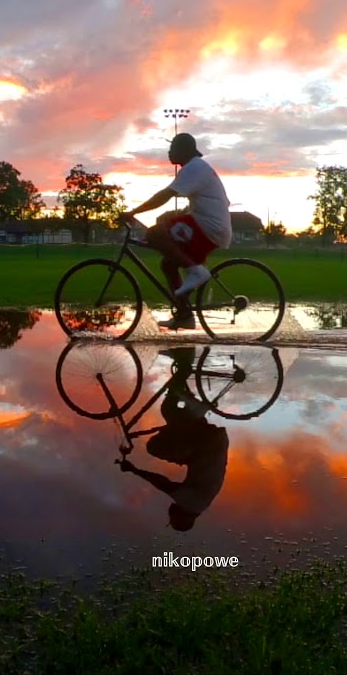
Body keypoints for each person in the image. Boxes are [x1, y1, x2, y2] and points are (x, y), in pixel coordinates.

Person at [119, 133, 232, 329]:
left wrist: (134, 211)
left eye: (172, 149)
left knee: (154, 233)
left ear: (184, 151)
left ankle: (196, 272)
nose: (169, 153)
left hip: (209, 227)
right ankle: (184, 316)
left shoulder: (194, 167)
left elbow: (165, 195)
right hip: (209, 225)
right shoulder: (196, 167)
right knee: (168, 265)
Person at [116, 347, 229, 531]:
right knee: (156, 444)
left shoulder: (199, 504)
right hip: (207, 444)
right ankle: (184, 368)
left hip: (209, 444)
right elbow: (164, 484)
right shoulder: (192, 505)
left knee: (173, 419)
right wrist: (134, 470)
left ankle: (190, 402)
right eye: (172, 517)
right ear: (182, 518)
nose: (170, 512)